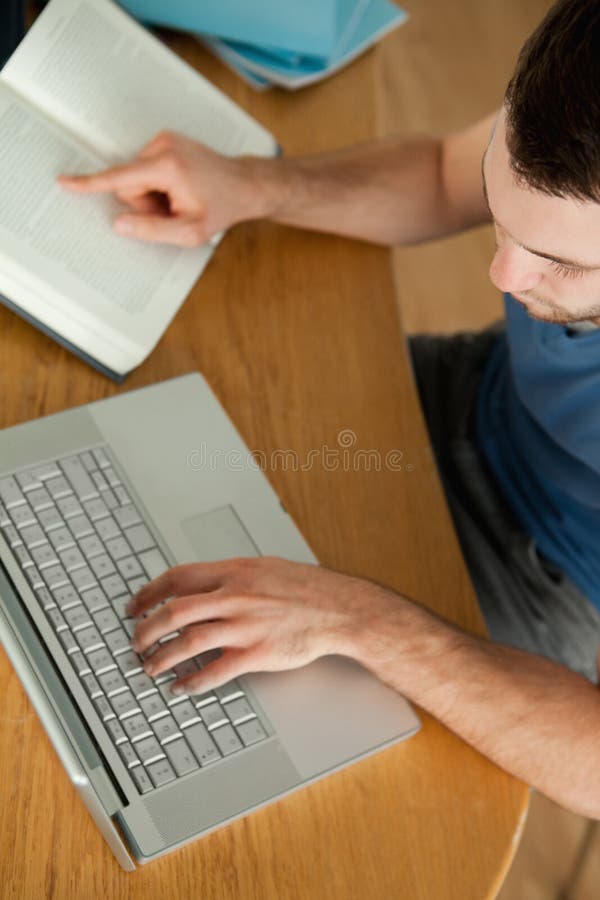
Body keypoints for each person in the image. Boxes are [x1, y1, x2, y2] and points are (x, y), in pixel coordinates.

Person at [59, 0, 600, 819]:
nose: (503, 276)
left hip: (543, 590)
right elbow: (439, 174)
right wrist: (255, 186)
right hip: (470, 397)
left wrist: (361, 621)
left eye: (558, 263)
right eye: (502, 215)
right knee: (129, 451)